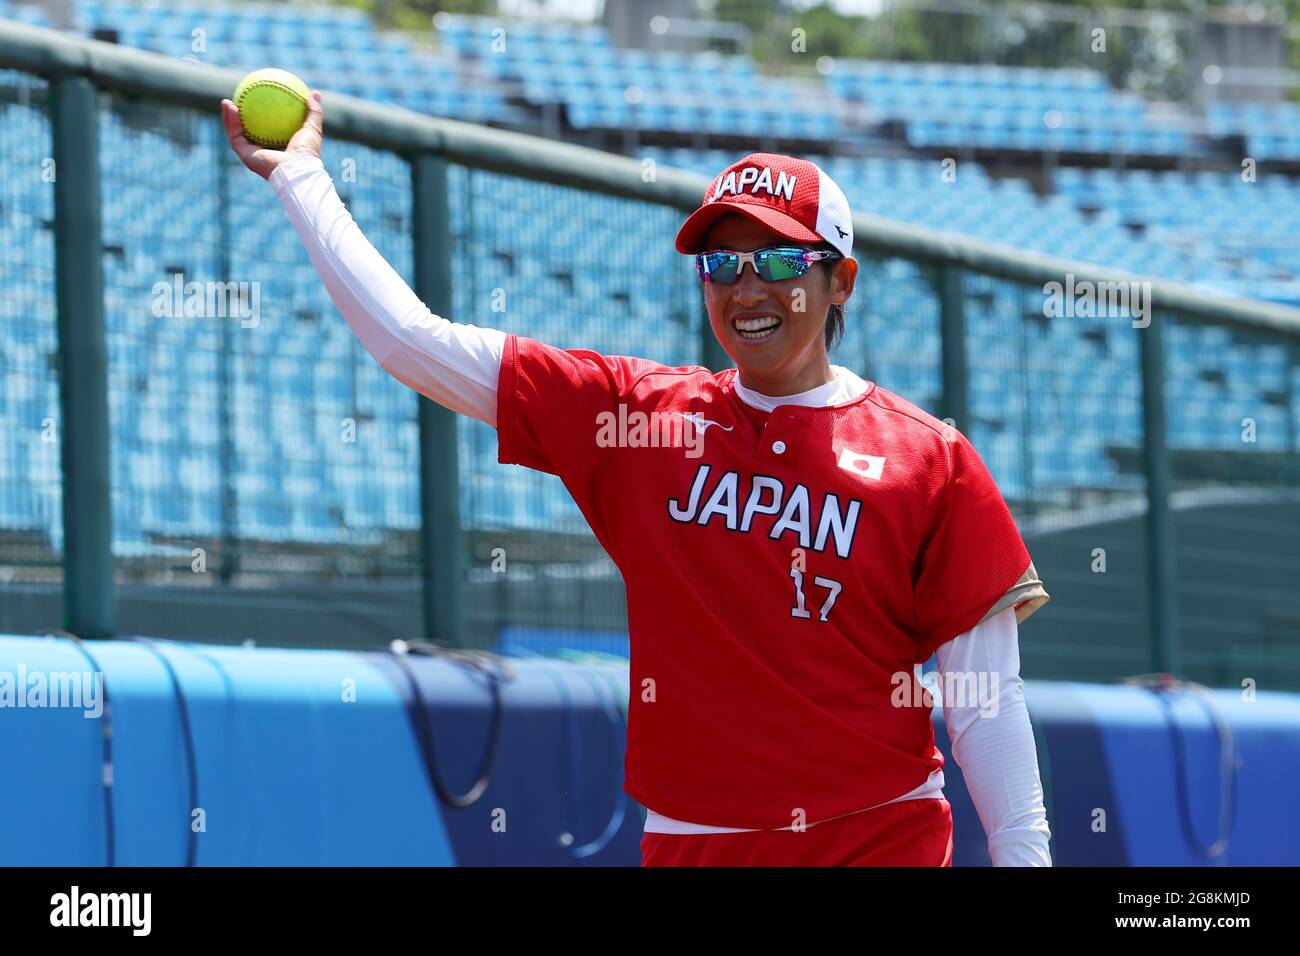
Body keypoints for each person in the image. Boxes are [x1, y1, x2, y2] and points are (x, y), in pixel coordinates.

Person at [221, 90, 1053, 867]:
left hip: (877, 837)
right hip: (694, 843)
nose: (746, 288)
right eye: (721, 265)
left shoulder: (931, 459)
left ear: (839, 278)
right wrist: (300, 177)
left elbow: (985, 699)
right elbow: (411, 340)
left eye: (776, 260)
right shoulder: (639, 418)